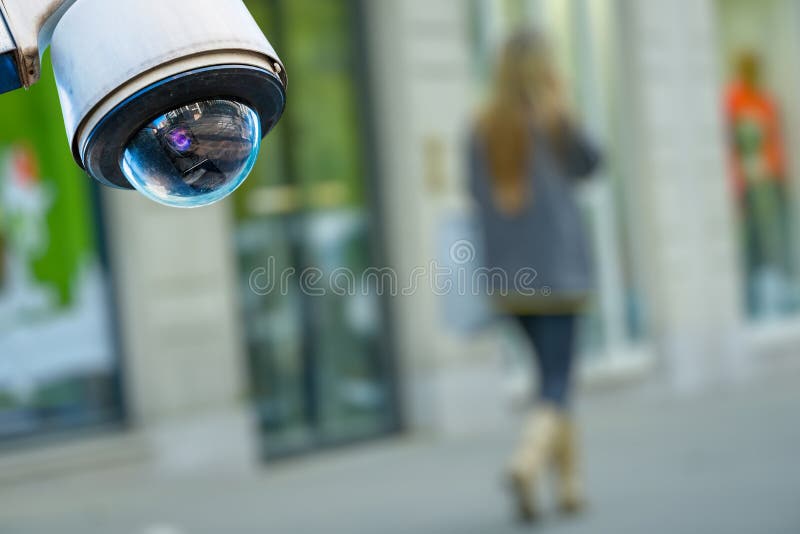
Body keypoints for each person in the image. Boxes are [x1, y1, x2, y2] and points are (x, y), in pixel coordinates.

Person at [468, 30, 600, 522]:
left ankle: (570, 487)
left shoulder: (481, 126)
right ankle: (527, 459)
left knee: (549, 376)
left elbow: (475, 196)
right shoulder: (556, 120)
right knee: (558, 380)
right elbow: (594, 163)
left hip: (510, 281)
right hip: (561, 274)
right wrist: (562, 107)